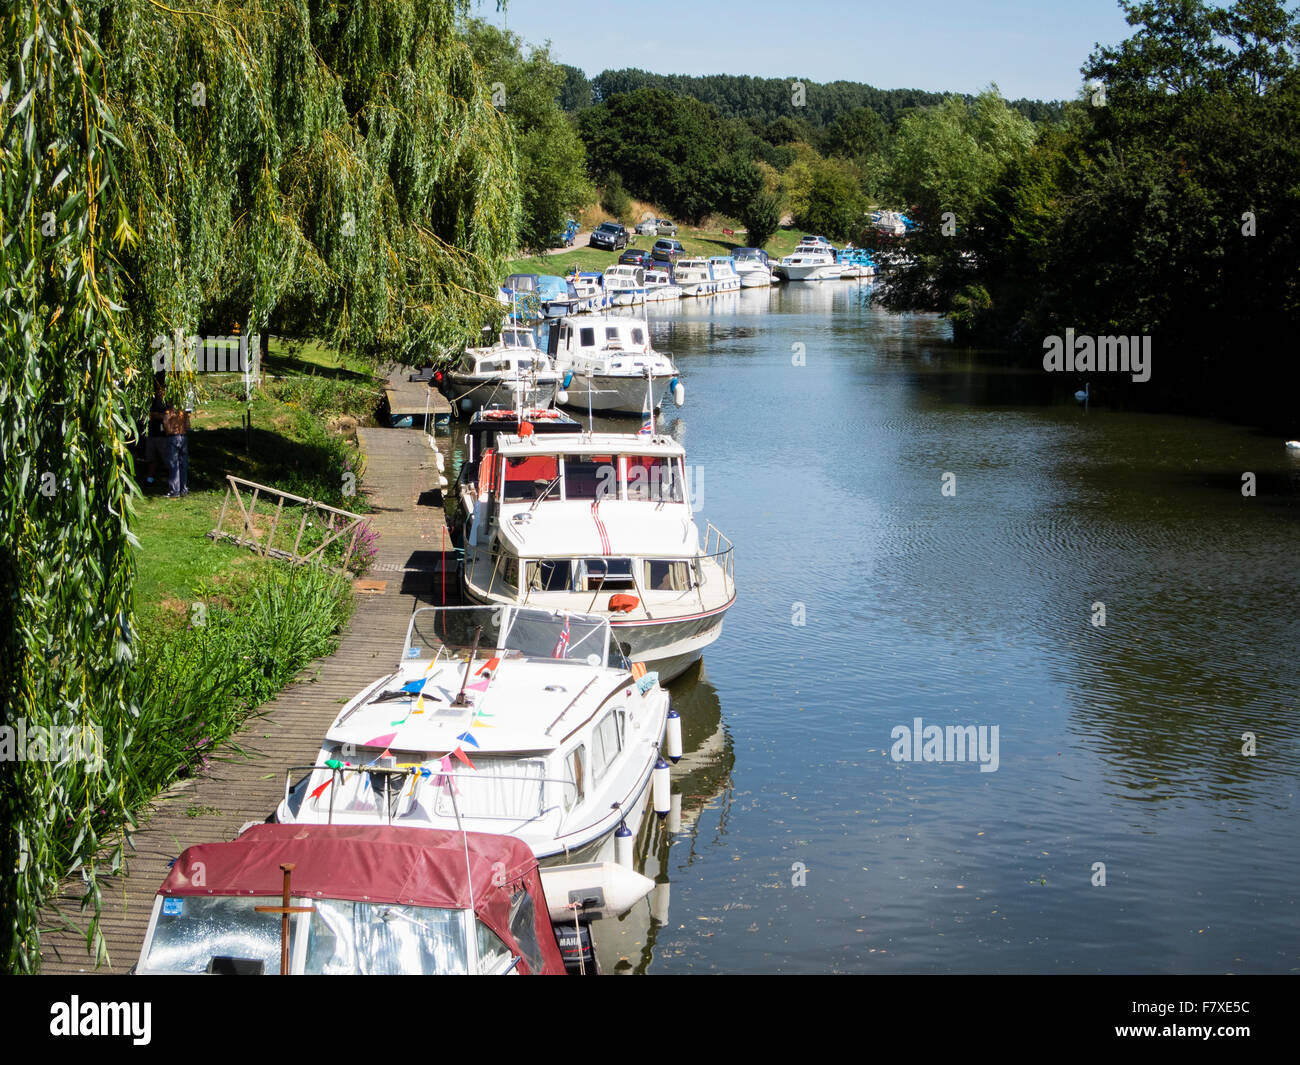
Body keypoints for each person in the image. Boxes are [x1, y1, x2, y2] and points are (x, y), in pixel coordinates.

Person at [146, 378, 168, 486]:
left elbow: (168, 416)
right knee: (151, 458)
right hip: (151, 433)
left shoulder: (166, 402)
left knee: (165, 457)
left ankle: (169, 480)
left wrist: (157, 416)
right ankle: (150, 479)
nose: (160, 391)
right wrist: (158, 416)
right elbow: (147, 415)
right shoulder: (152, 401)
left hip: (162, 435)